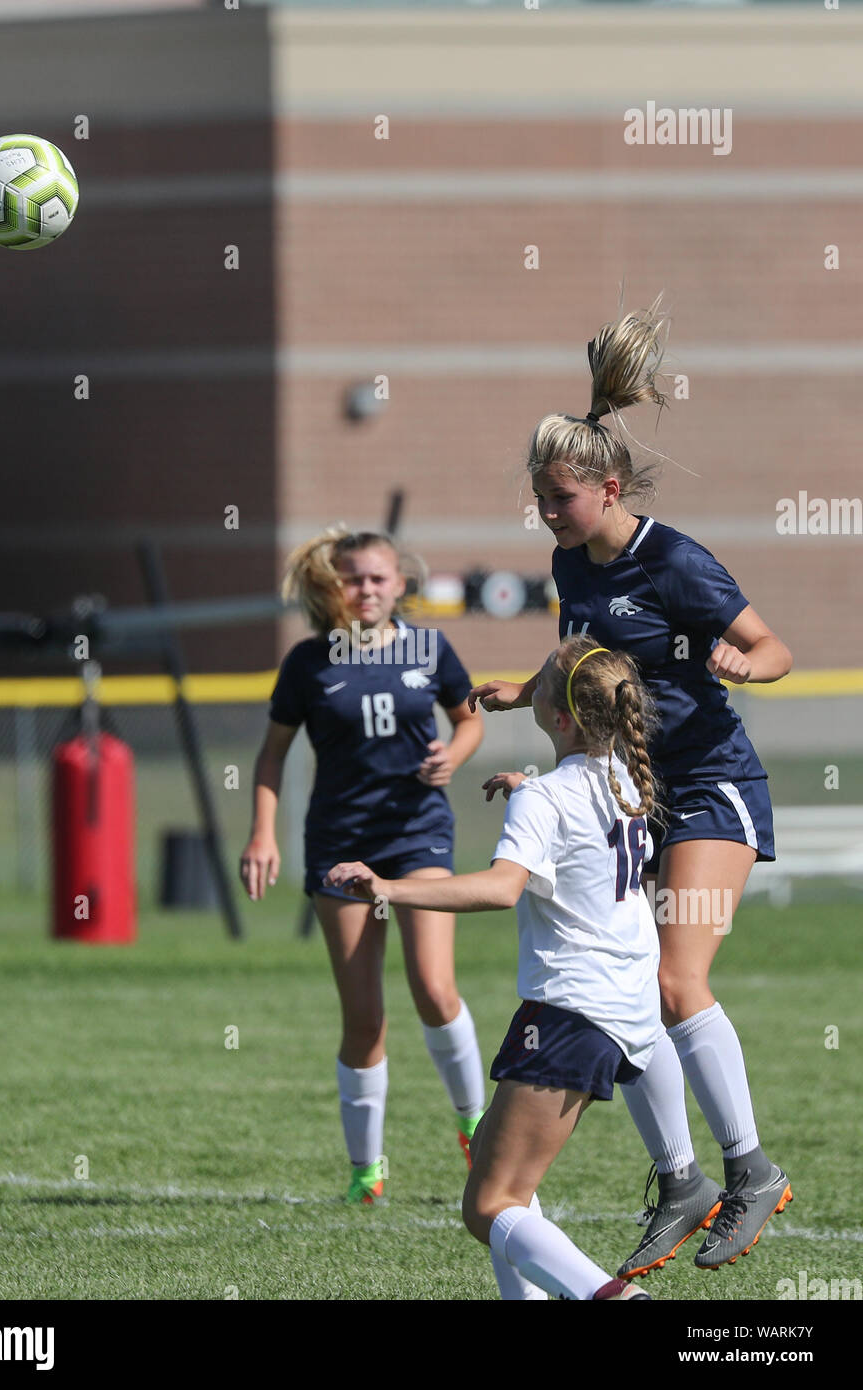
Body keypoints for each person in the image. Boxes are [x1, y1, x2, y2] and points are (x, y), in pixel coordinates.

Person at [469, 296, 794, 1277]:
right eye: (541, 499)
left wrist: (747, 667)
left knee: (672, 977)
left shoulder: (679, 563)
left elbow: (773, 644)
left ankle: (752, 1171)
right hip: (629, 788)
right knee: (631, 995)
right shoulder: (574, 559)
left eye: (559, 498)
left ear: (608, 487)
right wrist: (529, 691)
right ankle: (683, 1178)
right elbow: (585, 651)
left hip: (710, 785)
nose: (548, 512)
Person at [327, 637, 662, 1300]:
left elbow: (500, 888)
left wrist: (387, 888)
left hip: (571, 1010)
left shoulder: (549, 799)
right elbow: (579, 833)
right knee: (504, 1182)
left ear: (561, 717)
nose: (527, 689)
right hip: (625, 1006)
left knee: (486, 1206)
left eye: (541, 682)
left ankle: (610, 1295)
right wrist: (529, 789)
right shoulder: (627, 779)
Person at [240, 526, 486, 1204]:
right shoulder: (308, 663)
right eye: (353, 579)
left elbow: (469, 720)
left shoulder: (430, 648)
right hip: (339, 845)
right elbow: (271, 756)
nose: (366, 590)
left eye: (378, 578)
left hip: (418, 837)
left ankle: (477, 1129)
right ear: (333, 586)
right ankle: (366, 1172)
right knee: (364, 1018)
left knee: (435, 990)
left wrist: (455, 754)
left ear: (400, 583)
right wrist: (263, 834)